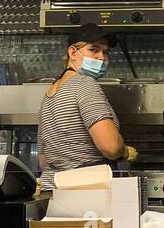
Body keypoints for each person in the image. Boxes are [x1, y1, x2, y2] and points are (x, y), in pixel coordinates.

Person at [37, 24, 137, 191]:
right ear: (73, 53)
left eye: (105, 52)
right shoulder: (85, 85)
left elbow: (43, 160)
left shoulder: (50, 94)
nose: (101, 57)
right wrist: (124, 151)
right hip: (88, 193)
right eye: (94, 50)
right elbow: (111, 147)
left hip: (53, 191)